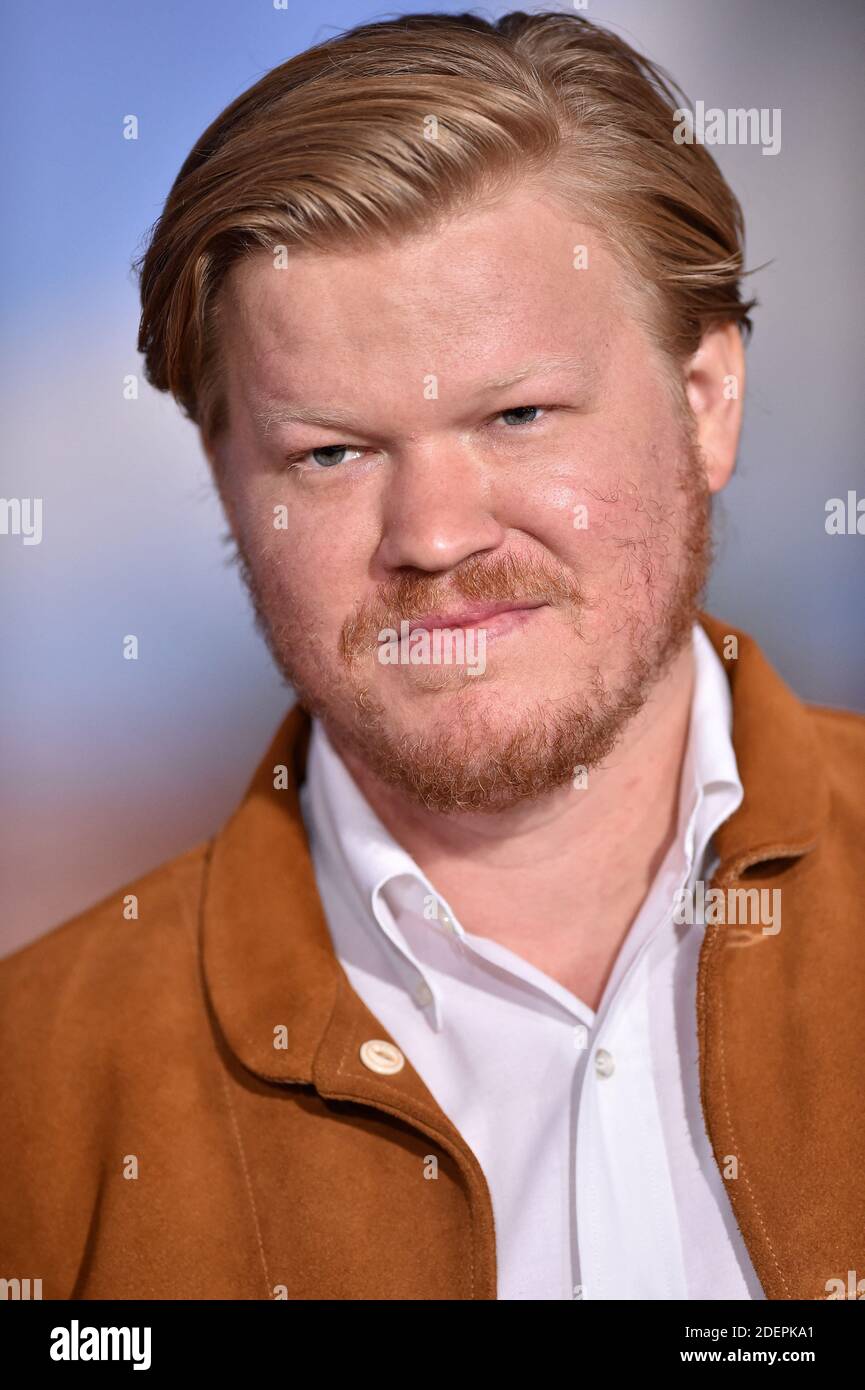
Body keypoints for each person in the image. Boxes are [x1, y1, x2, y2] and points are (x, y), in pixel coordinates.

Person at [2, 10, 863, 1302]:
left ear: (705, 405)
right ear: (227, 484)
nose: (435, 535)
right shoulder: (35, 1096)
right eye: (330, 452)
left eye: (517, 415)